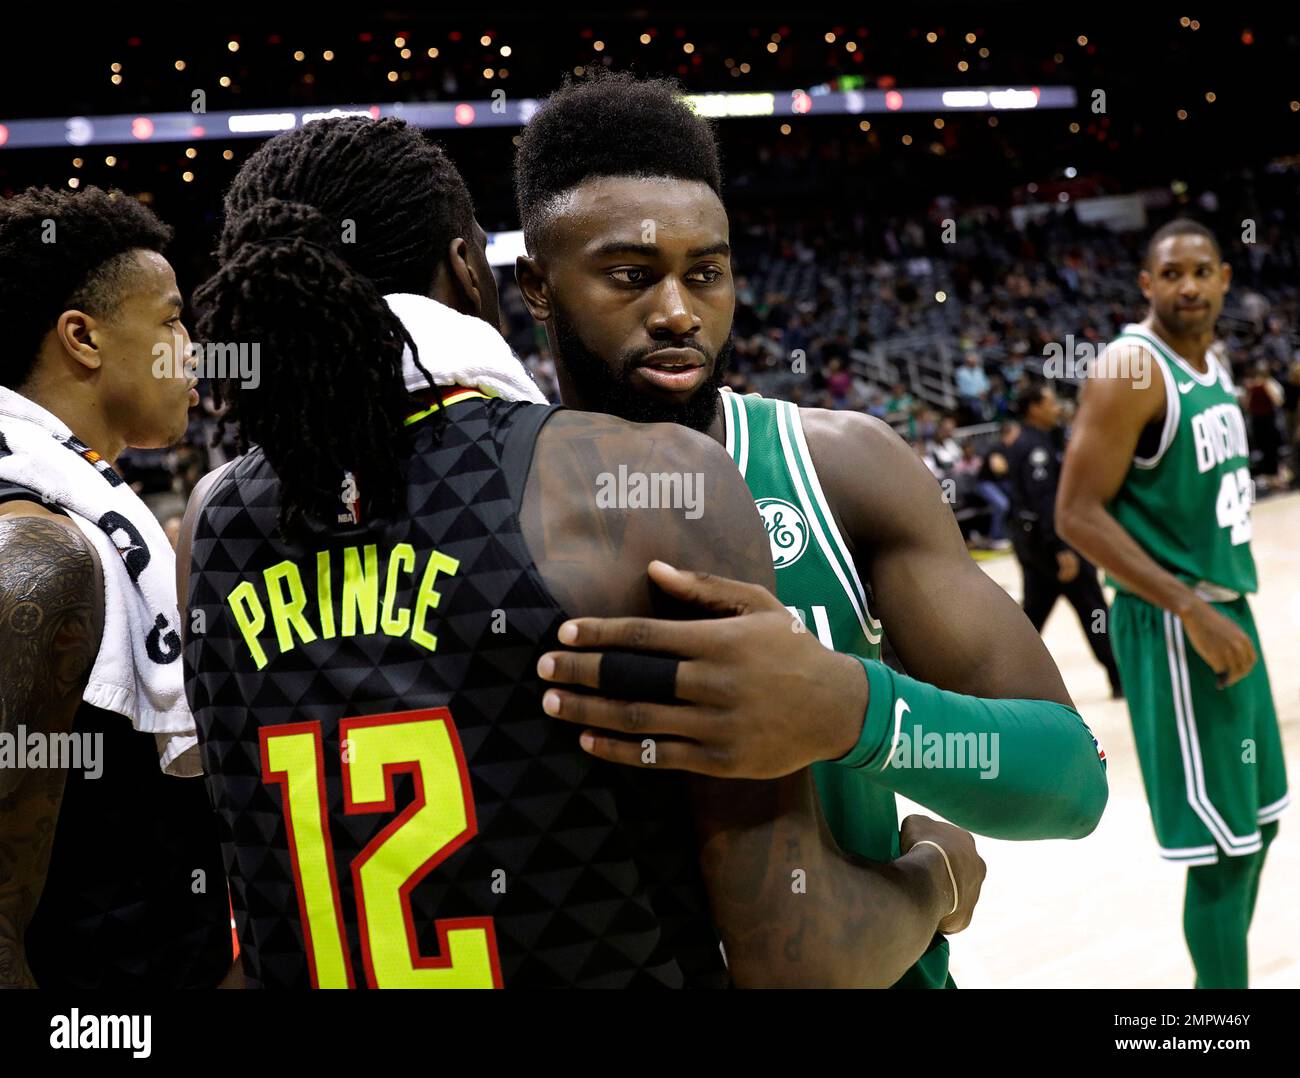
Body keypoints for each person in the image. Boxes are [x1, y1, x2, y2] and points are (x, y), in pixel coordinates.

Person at [181, 116, 984, 989]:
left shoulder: (214, 520)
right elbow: (798, 962)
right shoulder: (638, 481)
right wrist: (935, 874)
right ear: (465, 269)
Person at [512, 72, 1107, 989]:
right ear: (538, 288)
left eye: (705, 273)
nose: (677, 312)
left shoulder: (839, 466)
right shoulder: (485, 499)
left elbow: (1069, 779)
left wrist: (856, 711)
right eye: (631, 276)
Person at [0, 186, 230, 988]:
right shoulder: (36, 546)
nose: (192, 348)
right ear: (83, 339)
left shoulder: (80, 511)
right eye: (170, 320)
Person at [1057, 218, 1288, 988]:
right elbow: (1077, 513)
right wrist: (1189, 609)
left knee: (1260, 823)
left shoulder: (1211, 360)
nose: (1188, 285)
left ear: (1225, 278)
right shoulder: (1132, 367)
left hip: (1227, 606)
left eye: (1202, 271)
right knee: (1220, 854)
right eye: (1172, 273)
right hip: (1172, 618)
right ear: (1146, 284)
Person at [1006, 384, 1122, 696]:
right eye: (1049, 403)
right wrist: (1061, 548)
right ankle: (1121, 677)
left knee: (1032, 618)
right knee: (1094, 609)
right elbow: (1044, 501)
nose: (1056, 407)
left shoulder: (1043, 439)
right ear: (1033, 408)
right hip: (1054, 548)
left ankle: (1003, 681)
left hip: (1036, 548)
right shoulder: (1035, 448)